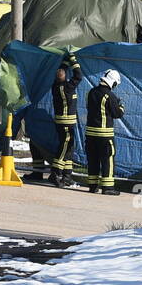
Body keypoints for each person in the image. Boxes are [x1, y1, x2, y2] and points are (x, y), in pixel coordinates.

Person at [84, 68, 125, 195]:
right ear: (112, 82)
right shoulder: (110, 96)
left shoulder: (91, 92)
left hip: (90, 133)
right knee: (107, 159)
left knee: (93, 159)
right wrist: (121, 106)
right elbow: (117, 113)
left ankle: (92, 185)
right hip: (104, 134)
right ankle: (108, 188)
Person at [49, 52, 83, 187]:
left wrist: (64, 62)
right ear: (65, 78)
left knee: (69, 147)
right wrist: (73, 60)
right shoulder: (68, 87)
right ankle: (55, 173)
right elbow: (78, 75)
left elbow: (62, 72)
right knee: (64, 148)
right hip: (67, 123)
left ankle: (67, 175)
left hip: (60, 122)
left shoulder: (55, 86)